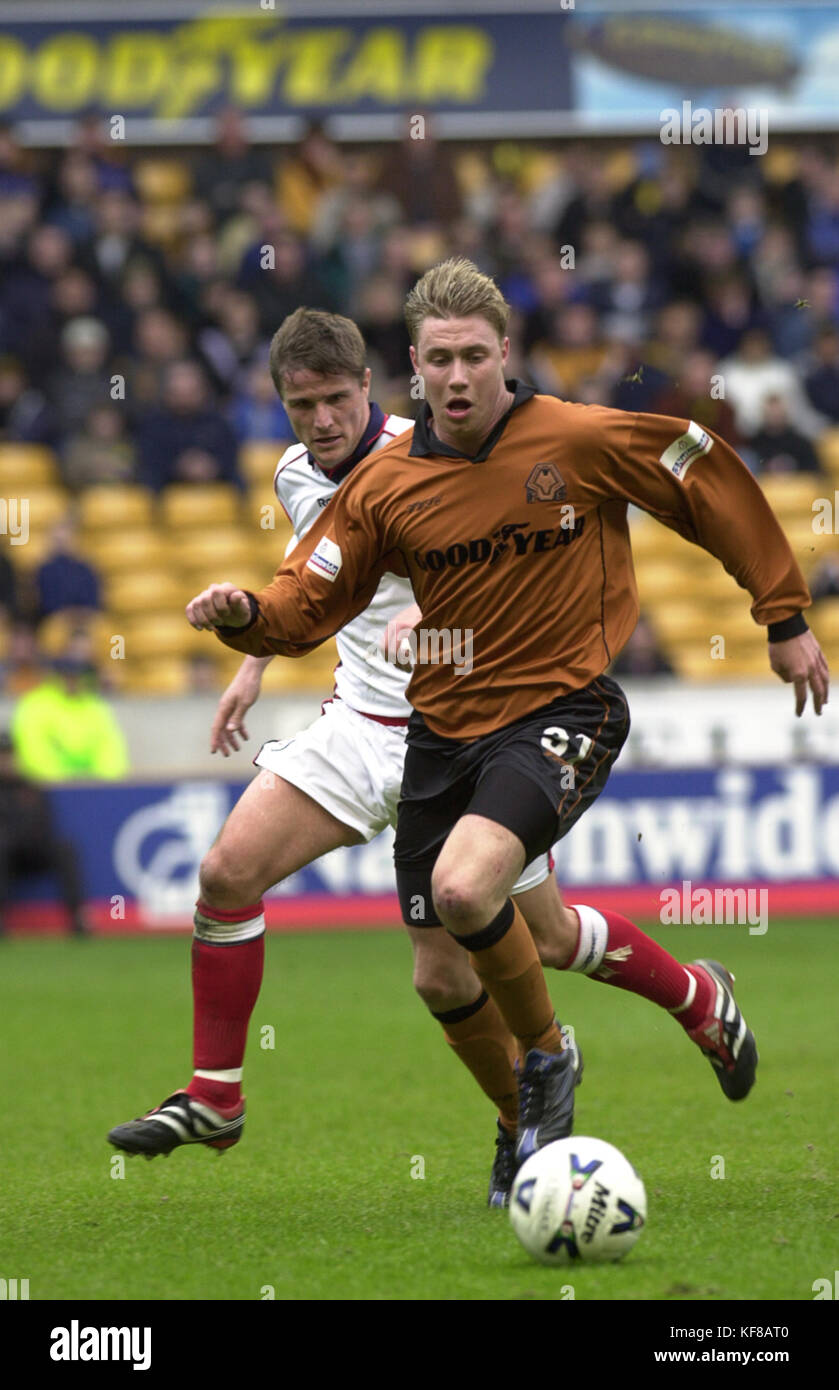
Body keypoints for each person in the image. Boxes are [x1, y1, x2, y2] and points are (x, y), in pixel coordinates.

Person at [178, 259, 829, 1177]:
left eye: (472, 357)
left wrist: (782, 614)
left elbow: (700, 468)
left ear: (503, 357)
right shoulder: (381, 486)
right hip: (440, 735)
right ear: (413, 363)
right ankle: (685, 1000)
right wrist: (246, 617)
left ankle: (548, 1063)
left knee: (464, 890)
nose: (455, 376)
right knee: (465, 960)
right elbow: (305, 602)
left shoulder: (575, 436)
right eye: (439, 358)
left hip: (565, 706)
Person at [107, 308, 577, 1207]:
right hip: (357, 726)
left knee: (469, 965)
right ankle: (216, 1095)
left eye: (333, 401)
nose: (319, 422)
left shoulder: (433, 458)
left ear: (372, 386)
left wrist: (436, 628)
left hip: (460, 735)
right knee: (225, 871)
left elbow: (508, 585)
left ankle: (542, 1107)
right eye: (299, 406)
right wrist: (254, 658)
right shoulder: (294, 474)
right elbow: (310, 582)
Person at [0, 730, 90, 937]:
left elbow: (44, 822)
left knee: (65, 848)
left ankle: (78, 917)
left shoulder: (30, 786)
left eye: (8, 755)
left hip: (32, 849)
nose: (5, 760)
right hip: (6, 853)